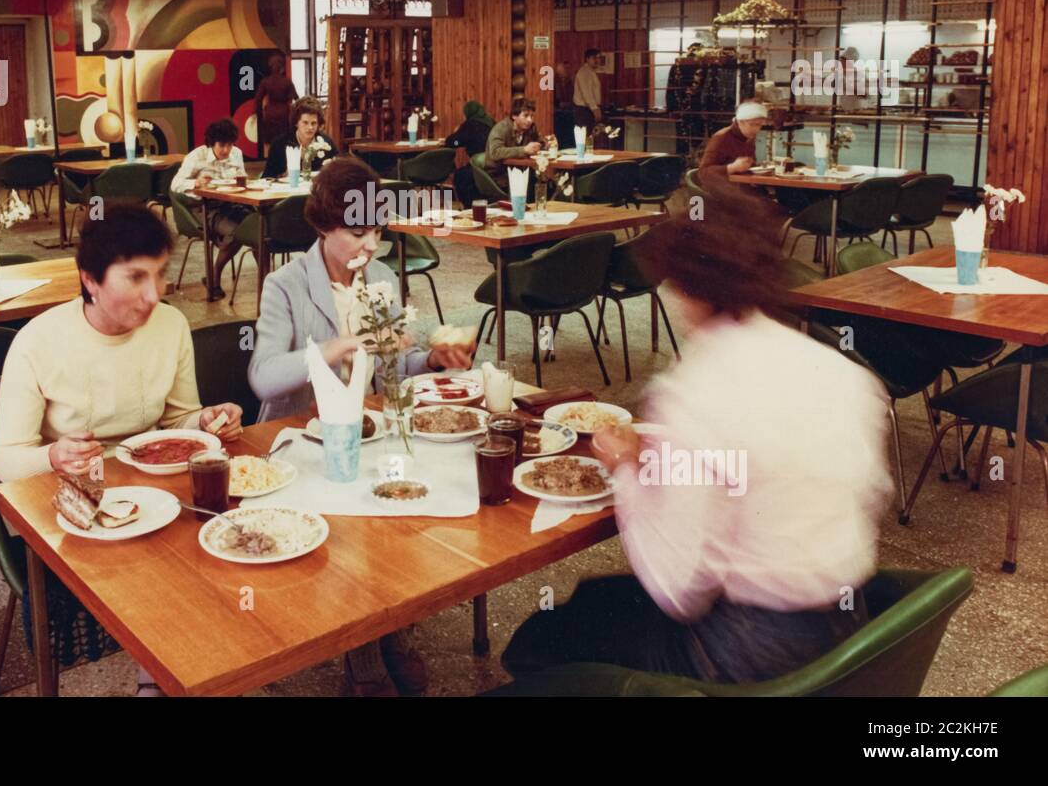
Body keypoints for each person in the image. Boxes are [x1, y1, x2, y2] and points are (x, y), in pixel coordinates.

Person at [500, 190, 893, 689]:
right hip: (852, 626)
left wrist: (626, 467)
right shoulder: (843, 373)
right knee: (594, 601)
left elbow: (676, 587)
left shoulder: (695, 392)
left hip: (748, 656)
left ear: (687, 288)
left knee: (544, 635)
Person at [0, 204, 244, 696]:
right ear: (90, 279)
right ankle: (162, 678)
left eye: (161, 275)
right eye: (135, 277)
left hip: (153, 488)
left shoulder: (169, 326)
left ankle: (187, 671)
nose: (154, 295)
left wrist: (209, 419)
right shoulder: (37, 342)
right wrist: (51, 456)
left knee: (228, 532)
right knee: (167, 564)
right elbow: (5, 457)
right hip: (70, 500)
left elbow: (176, 419)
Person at [248, 157, 475, 696]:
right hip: (301, 441)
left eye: (376, 230)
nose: (368, 246)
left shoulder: (380, 278)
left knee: (403, 500)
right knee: (355, 516)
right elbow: (262, 378)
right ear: (322, 226)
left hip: (367, 427)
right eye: (355, 233)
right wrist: (340, 345)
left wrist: (432, 359)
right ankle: (364, 647)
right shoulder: (285, 283)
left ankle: (391, 625)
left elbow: (393, 368)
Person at [169, 118, 250, 297]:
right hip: (204, 207)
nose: (226, 150)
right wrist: (196, 182)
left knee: (256, 226)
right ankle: (214, 276)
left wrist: (241, 181)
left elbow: (242, 176)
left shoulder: (236, 154)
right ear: (211, 142)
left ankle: (267, 283)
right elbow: (175, 184)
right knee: (237, 232)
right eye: (222, 145)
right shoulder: (196, 156)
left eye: (230, 145)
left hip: (231, 203)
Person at [697, 100, 768, 190]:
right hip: (720, 191)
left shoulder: (749, 137)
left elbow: (750, 166)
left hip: (743, 188)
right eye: (753, 124)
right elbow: (703, 173)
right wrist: (732, 168)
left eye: (760, 125)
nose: (757, 129)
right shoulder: (721, 138)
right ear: (740, 122)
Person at [262, 96, 338, 178]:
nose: (310, 128)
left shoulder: (326, 143)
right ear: (296, 123)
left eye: (314, 123)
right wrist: (282, 175)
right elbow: (267, 178)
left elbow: (339, 173)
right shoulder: (279, 144)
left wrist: (331, 169)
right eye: (305, 123)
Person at [446, 100, 496, 206]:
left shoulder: (470, 124)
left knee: (461, 176)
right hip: (497, 164)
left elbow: (453, 142)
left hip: (480, 166)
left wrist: (455, 135)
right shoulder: (491, 122)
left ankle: (470, 208)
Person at [484, 96, 541, 188]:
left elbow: (539, 142)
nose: (530, 120)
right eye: (526, 115)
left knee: (545, 182)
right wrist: (524, 150)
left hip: (520, 171)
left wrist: (548, 144)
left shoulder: (530, 128)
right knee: (530, 185)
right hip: (499, 174)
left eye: (532, 116)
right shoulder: (501, 128)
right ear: (514, 116)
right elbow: (495, 152)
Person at [253, 50, 295, 158]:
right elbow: (295, 98)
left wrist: (259, 115)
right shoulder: (287, 82)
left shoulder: (265, 81)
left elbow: (258, 100)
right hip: (284, 114)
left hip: (269, 113)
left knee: (269, 142)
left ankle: (270, 162)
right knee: (284, 141)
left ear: (270, 67)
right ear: (282, 67)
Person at [573, 48, 603, 130]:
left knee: (590, 137)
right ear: (587, 59)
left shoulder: (591, 72)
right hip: (584, 111)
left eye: (598, 58)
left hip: (588, 109)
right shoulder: (584, 72)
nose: (597, 60)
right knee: (585, 137)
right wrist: (595, 109)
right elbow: (586, 93)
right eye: (594, 58)